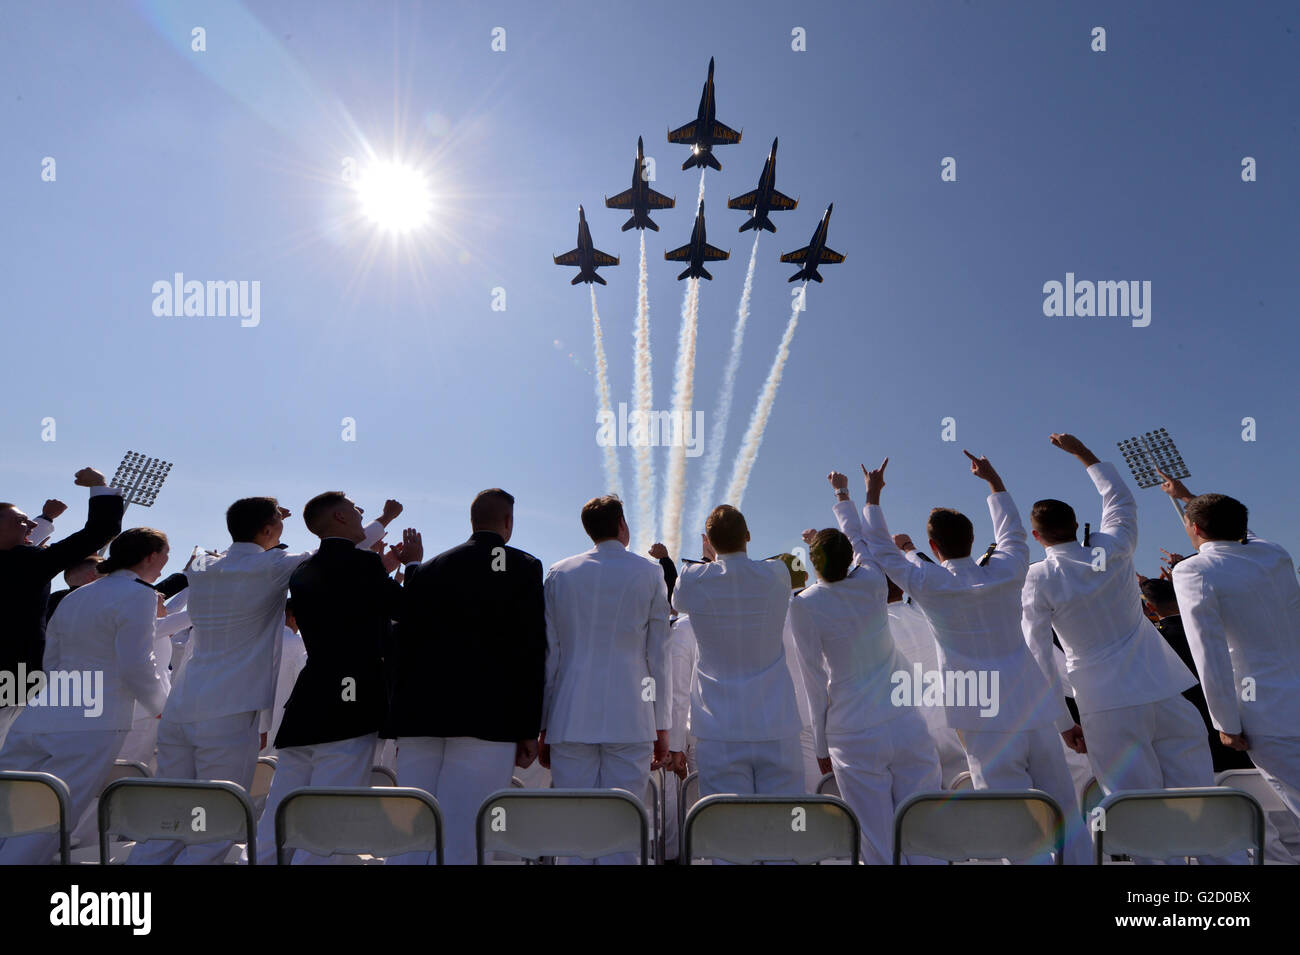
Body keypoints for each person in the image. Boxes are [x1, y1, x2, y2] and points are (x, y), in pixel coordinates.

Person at [839, 452, 1089, 864]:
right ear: (972, 539)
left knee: (1009, 819)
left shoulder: (928, 581)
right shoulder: (1008, 570)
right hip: (1030, 702)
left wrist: (872, 496)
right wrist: (993, 481)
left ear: (933, 547)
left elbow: (881, 550)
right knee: (1063, 807)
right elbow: (1012, 533)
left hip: (978, 709)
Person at [128, 496, 396, 865]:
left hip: (182, 701)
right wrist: (384, 521)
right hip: (230, 709)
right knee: (216, 824)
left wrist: (265, 526)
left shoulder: (202, 565)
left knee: (170, 819)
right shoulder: (274, 565)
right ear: (269, 530)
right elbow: (340, 551)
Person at [1020, 434, 1213, 802]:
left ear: (1036, 536)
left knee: (1138, 814)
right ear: (1077, 525)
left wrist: (1061, 721)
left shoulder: (1039, 577)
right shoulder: (1114, 546)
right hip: (1163, 689)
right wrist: (1083, 453)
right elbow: (1120, 499)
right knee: (1201, 801)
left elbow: (1039, 654)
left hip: (1105, 704)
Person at [254, 492, 420, 865]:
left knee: (281, 808)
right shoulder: (362, 564)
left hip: (310, 697)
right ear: (341, 518)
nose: (361, 515)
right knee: (330, 810)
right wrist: (413, 566)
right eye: (354, 510)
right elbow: (409, 609)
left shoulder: (303, 569)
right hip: (352, 698)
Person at [387, 488, 546, 866]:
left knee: (411, 835)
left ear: (472, 521)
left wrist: (400, 715)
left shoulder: (428, 570)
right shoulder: (523, 567)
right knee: (466, 835)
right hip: (487, 719)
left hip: (420, 717)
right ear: (508, 522)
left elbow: (402, 644)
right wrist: (528, 726)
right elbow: (529, 650)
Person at [0, 528, 169, 864]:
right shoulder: (139, 595)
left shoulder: (78, 595)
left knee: (10, 809)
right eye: (165, 553)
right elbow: (136, 664)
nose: (166, 562)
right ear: (151, 556)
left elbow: (53, 660)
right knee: (53, 818)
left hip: (42, 712)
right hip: (92, 721)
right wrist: (163, 707)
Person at [789, 524, 941, 864]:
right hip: (904, 721)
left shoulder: (804, 605)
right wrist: (844, 497)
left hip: (852, 730)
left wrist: (820, 744)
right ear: (849, 560)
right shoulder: (872, 581)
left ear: (814, 564)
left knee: (876, 840)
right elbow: (863, 543)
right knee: (922, 830)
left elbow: (813, 679)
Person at [540, 495, 671, 864]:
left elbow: (552, 655)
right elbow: (657, 657)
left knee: (573, 831)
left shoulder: (559, 573)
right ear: (621, 524)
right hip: (630, 716)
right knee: (623, 830)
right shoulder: (649, 572)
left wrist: (546, 724)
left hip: (570, 716)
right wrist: (661, 724)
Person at [1166, 473, 1300, 823]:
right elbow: (1243, 534)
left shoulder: (1193, 570)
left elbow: (1208, 653)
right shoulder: (1274, 553)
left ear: (1194, 528)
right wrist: (1186, 497)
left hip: (1267, 714)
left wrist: (1225, 722)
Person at [672, 506, 804, 800]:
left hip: (719, 730)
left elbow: (678, 600)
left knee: (729, 835)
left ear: (709, 541)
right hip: (776, 726)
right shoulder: (777, 573)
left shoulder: (693, 578)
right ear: (747, 536)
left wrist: (711, 557)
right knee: (784, 832)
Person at [0, 468, 124, 747]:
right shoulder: (23, 562)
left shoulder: (22, 559)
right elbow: (101, 530)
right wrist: (100, 486)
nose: (31, 525)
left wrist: (45, 520)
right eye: (22, 521)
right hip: (13, 683)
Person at [1138, 576, 1252, 773]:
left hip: (1188, 724)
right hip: (1235, 715)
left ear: (1150, 607)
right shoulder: (1213, 627)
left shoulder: (1155, 641)